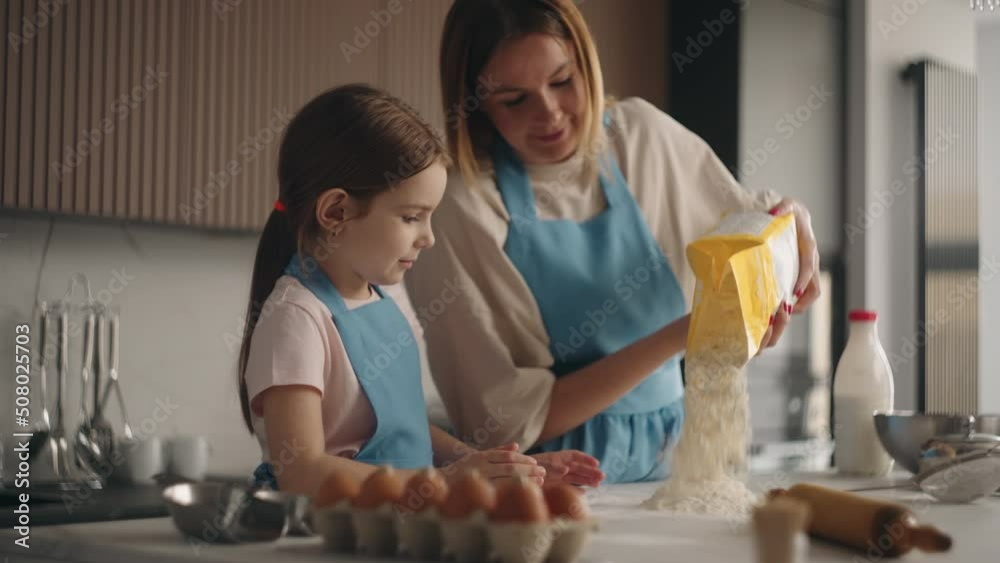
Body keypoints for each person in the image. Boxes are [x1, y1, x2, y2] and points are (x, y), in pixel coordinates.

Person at [407, 0, 821, 483]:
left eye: (562, 81)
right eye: (514, 99)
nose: (550, 113)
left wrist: (792, 232)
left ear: (586, 61)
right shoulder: (465, 206)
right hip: (554, 479)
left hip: (680, 455)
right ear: (474, 106)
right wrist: (688, 332)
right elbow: (507, 423)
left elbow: (753, 223)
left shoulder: (640, 136)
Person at [237, 84, 602, 495]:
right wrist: (444, 482)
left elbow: (402, 427)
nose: (428, 238)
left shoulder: (386, 300)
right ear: (336, 211)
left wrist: (496, 468)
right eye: (412, 217)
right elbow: (301, 472)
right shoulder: (296, 318)